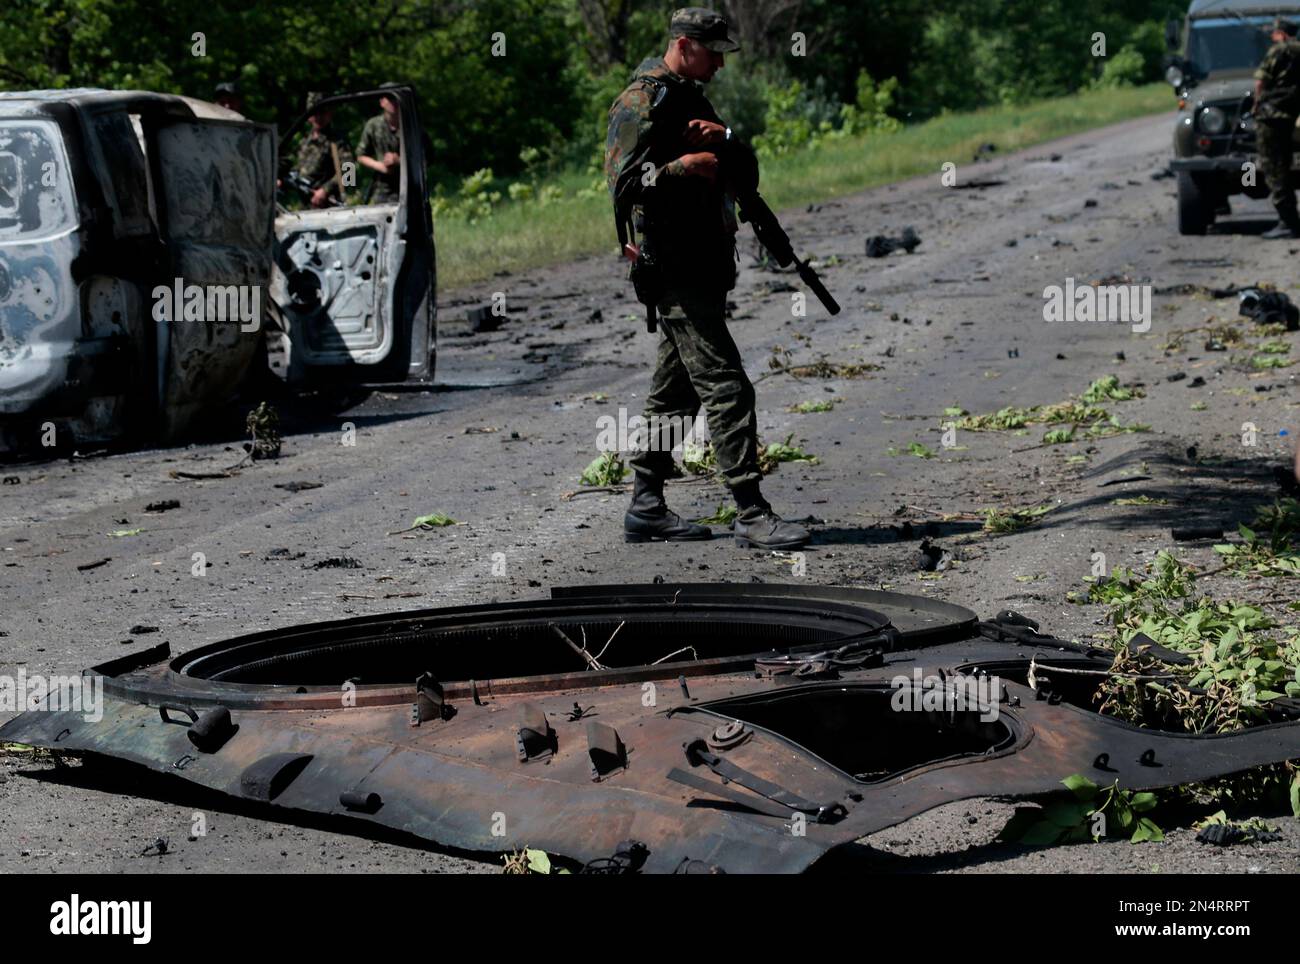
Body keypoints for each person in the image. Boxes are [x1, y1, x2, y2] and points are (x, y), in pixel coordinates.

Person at [604, 7, 810, 550]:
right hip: (672, 267)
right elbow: (622, 184)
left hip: (703, 265)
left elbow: (740, 170)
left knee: (675, 395)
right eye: (712, 51)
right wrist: (682, 167)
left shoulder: (694, 97)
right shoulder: (641, 101)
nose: (720, 62)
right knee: (727, 386)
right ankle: (750, 511)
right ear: (683, 44)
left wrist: (727, 138)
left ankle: (646, 504)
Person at [1254, 18, 1300, 239]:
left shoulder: (1278, 51)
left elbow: (1261, 81)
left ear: (1281, 33)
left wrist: (1256, 104)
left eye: (1274, 33)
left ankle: (1288, 222)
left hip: (1272, 116)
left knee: (1274, 168)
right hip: (1292, 115)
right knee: (1285, 164)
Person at [291, 92, 353, 208]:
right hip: (304, 207)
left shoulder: (337, 141)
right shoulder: (304, 142)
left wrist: (325, 190)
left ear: (330, 114)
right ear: (308, 116)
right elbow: (297, 170)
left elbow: (350, 174)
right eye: (314, 113)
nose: (318, 118)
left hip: (328, 208)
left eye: (323, 113)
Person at [357, 84, 403, 203]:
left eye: (396, 98)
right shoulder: (373, 125)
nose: (394, 102)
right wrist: (380, 166)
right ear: (382, 102)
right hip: (382, 190)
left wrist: (399, 160)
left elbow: (426, 158)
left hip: (409, 188)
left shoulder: (411, 125)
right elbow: (360, 156)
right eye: (390, 99)